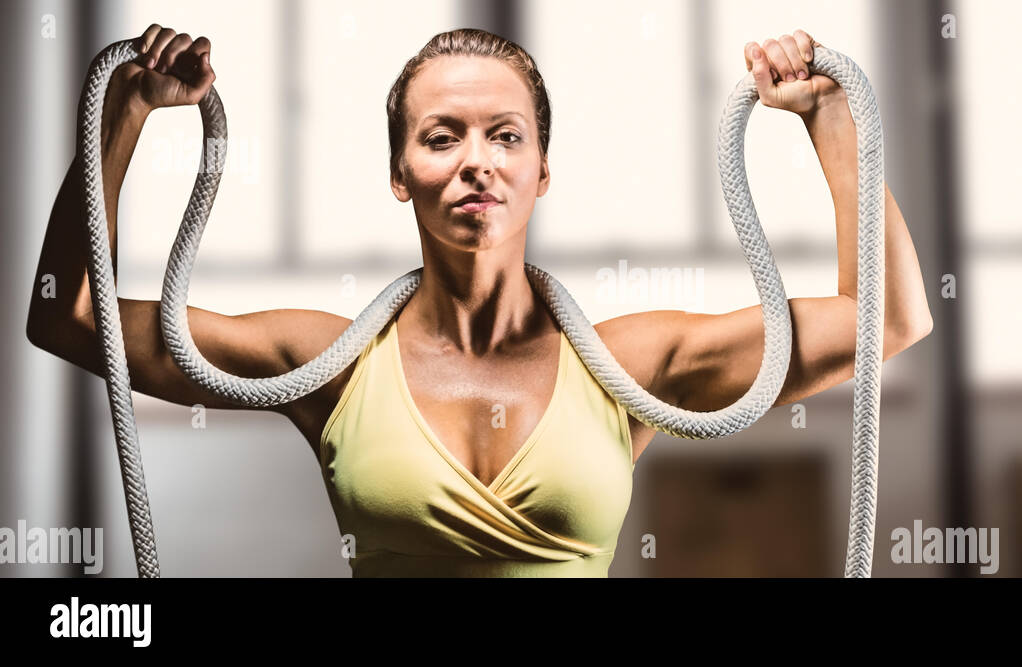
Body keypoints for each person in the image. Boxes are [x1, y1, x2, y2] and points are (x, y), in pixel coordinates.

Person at [26, 24, 933, 577]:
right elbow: (68, 314)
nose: (476, 160)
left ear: (542, 171)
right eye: (440, 136)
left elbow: (888, 320)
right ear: (399, 173)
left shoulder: (628, 368)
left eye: (506, 135)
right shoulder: (329, 364)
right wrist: (125, 115)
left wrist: (831, 120)